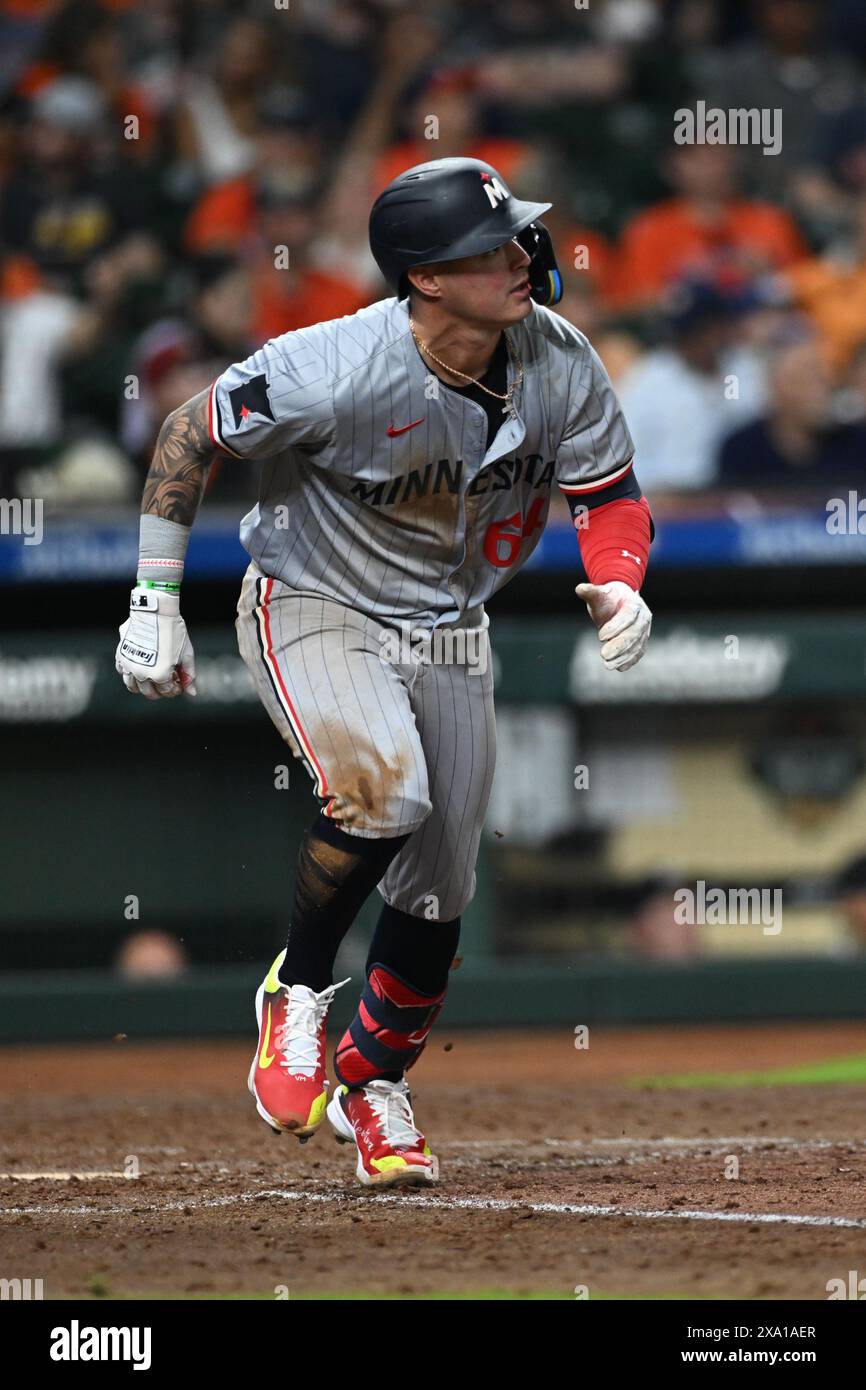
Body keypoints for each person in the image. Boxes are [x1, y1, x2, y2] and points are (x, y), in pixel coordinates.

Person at [114, 157, 653, 1188]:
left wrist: (619, 578)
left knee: (441, 887)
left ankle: (374, 1082)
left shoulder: (559, 355)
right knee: (381, 789)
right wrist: (153, 601)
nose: (516, 256)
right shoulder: (334, 363)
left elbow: (609, 491)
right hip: (317, 600)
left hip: (451, 623)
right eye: (485, 249)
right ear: (424, 278)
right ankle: (298, 991)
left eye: (513, 237)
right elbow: (191, 430)